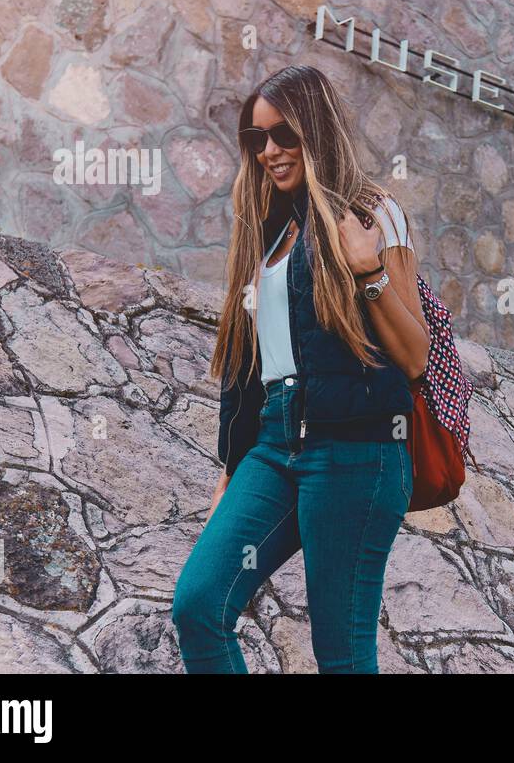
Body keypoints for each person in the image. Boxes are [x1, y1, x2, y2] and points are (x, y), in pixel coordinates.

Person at [171, 65, 429, 673]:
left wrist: (368, 274)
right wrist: (230, 476)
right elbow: (247, 372)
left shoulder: (371, 214)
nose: (269, 151)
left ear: (315, 128)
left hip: (356, 451)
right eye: (255, 139)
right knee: (199, 604)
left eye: (282, 134)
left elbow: (414, 354)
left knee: (339, 655)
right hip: (275, 444)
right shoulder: (268, 234)